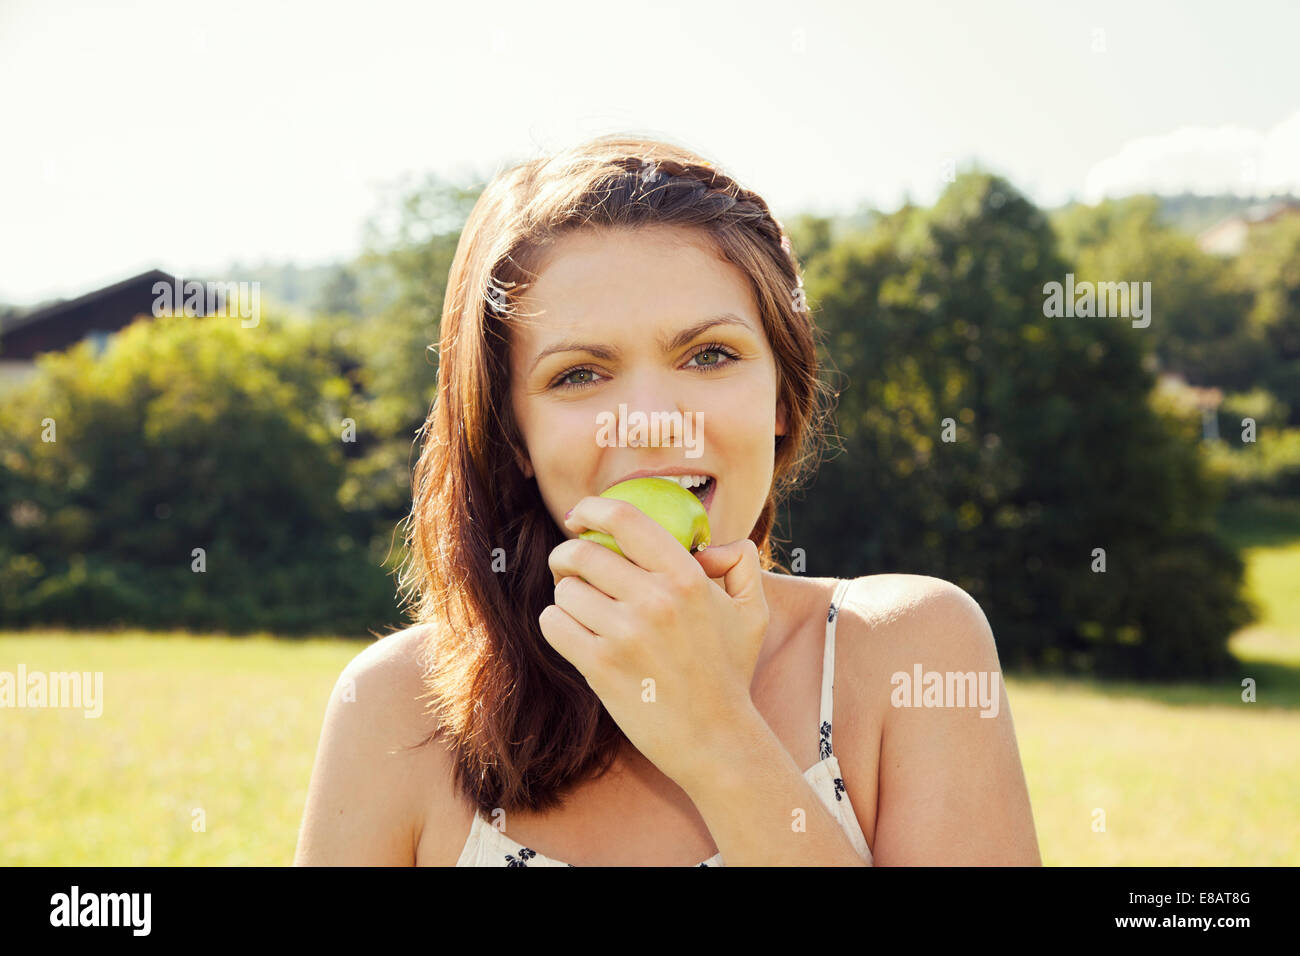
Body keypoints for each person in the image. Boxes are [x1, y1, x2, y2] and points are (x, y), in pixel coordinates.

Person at [294, 134, 1042, 866]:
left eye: (709, 355)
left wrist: (716, 734)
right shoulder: (395, 712)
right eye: (581, 374)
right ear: (515, 437)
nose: (653, 422)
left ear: (781, 396)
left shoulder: (913, 654)